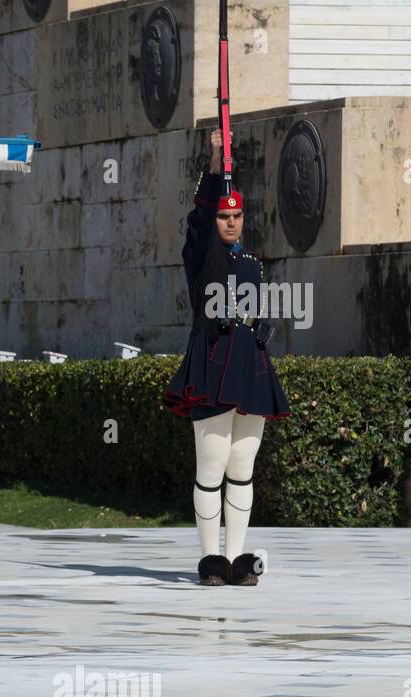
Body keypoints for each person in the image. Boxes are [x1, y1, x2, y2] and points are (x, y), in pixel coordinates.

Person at [163, 128, 290, 586]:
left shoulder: (254, 265)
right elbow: (198, 217)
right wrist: (216, 159)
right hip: (212, 369)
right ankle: (210, 558)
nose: (230, 222)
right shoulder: (202, 256)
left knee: (241, 469)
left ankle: (236, 560)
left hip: (250, 369)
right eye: (223, 215)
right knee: (211, 468)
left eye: (236, 216)